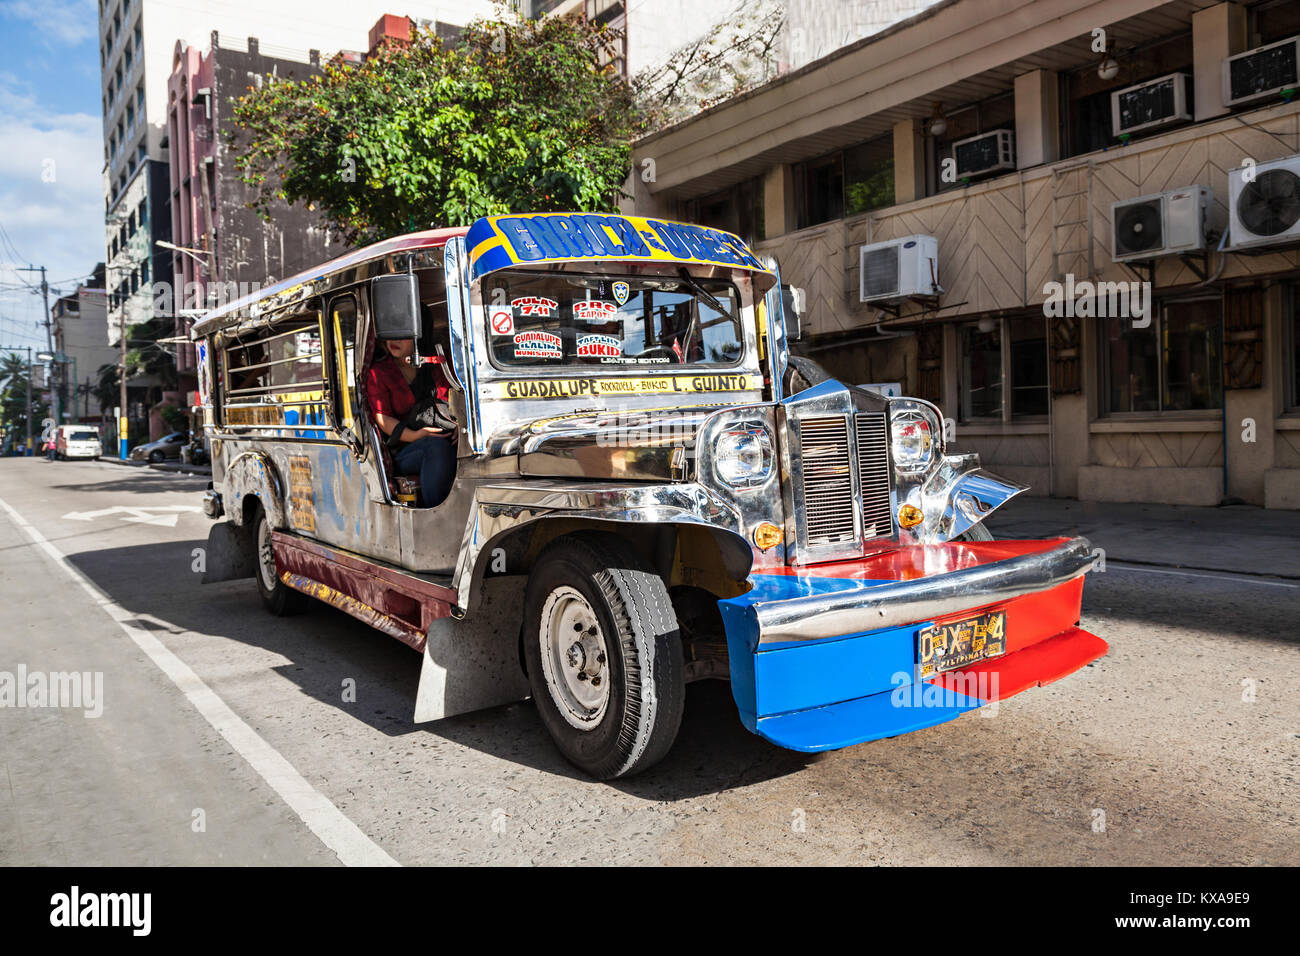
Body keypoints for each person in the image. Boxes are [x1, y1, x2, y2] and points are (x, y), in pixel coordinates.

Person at [365, 336, 456, 507]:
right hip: (406, 447)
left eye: (402, 331)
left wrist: (462, 427)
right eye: (389, 332)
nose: (393, 339)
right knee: (436, 448)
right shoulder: (379, 372)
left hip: (449, 433)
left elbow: (461, 395)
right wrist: (416, 436)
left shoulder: (440, 362)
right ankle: (434, 516)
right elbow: (382, 418)